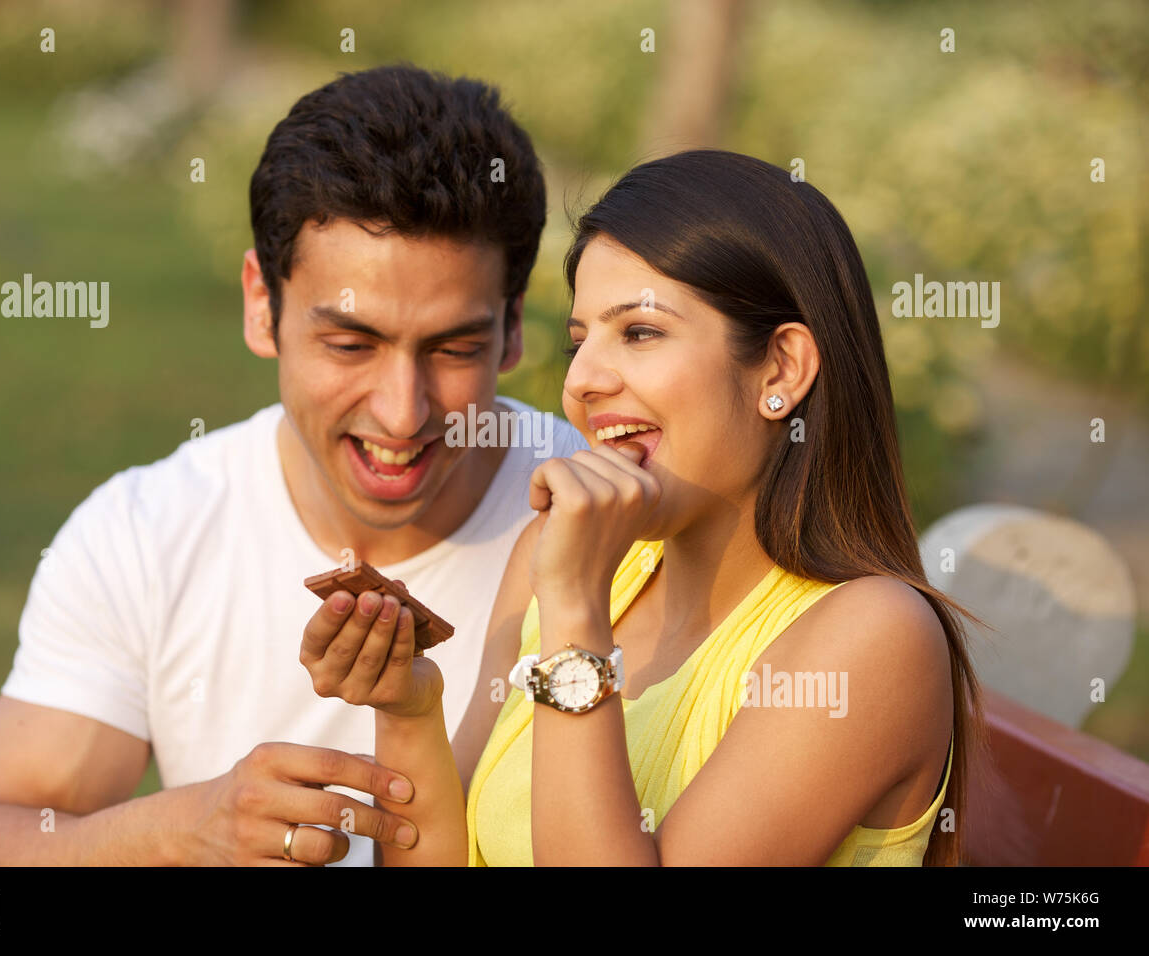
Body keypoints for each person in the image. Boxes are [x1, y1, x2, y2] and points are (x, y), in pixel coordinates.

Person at [0, 64, 587, 868]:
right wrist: (178, 832)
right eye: (350, 344)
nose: (402, 411)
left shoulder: (605, 512)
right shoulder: (145, 533)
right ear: (259, 305)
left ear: (515, 330)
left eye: (454, 349)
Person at [299, 149, 987, 866]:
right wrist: (408, 710)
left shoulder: (870, 639)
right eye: (578, 342)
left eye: (640, 333)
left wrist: (574, 616)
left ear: (781, 369)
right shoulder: (556, 564)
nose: (584, 382)